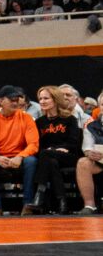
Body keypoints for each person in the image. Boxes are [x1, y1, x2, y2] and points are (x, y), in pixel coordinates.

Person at [0, 85, 40, 215]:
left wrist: (20, 156)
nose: (15, 102)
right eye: (11, 99)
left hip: (20, 158)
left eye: (17, 100)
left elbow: (33, 144)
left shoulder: (26, 118)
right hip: (0, 158)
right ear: (1, 101)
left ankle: (28, 205)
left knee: (31, 161)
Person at [29, 85, 82, 213]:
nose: (42, 101)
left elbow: (73, 143)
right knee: (50, 161)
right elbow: (38, 144)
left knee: (46, 154)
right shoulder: (39, 122)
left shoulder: (70, 119)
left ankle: (40, 194)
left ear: (56, 100)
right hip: (47, 157)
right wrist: (52, 150)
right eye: (40, 98)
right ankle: (62, 202)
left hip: (68, 156)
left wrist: (58, 149)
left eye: (46, 98)